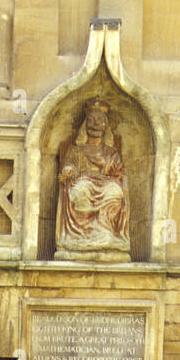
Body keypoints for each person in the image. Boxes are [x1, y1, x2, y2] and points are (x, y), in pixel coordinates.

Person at [56, 98, 130, 258]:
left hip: (106, 182)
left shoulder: (111, 152)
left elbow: (119, 172)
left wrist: (112, 171)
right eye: (92, 120)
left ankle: (105, 231)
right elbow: (68, 167)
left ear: (105, 125)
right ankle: (83, 235)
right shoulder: (76, 150)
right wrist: (69, 169)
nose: (96, 124)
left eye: (100, 120)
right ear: (85, 124)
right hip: (84, 180)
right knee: (81, 189)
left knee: (115, 191)